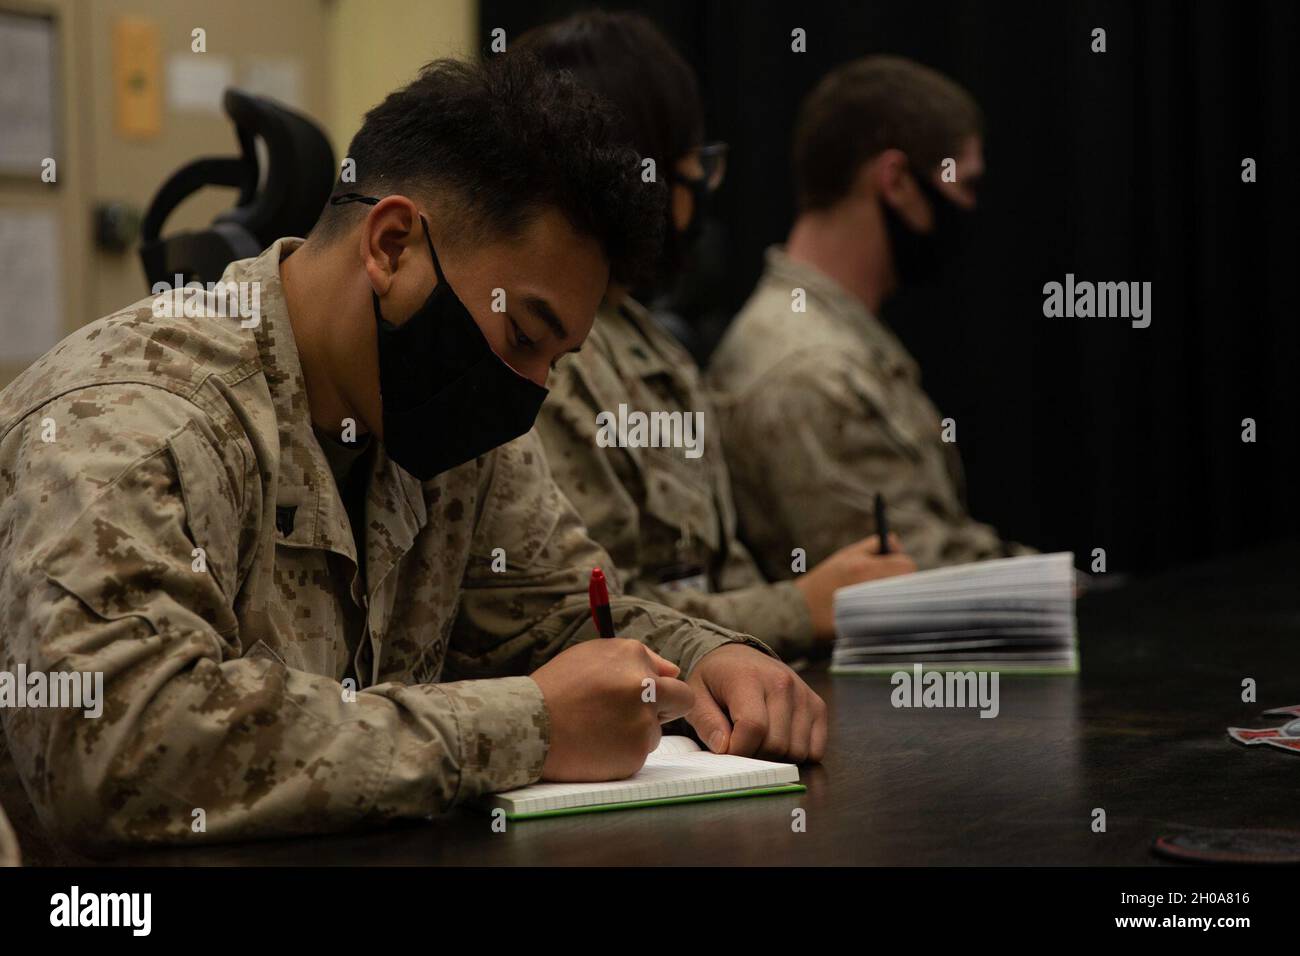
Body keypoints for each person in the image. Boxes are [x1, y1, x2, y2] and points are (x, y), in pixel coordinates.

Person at [0, 54, 825, 857]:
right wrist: (527, 726)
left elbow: (558, 614)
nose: (530, 386)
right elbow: (116, 746)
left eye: (556, 360)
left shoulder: (433, 423)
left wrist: (706, 656)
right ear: (391, 245)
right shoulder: (136, 417)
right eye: (523, 335)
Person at [518, 13, 915, 662]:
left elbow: (717, 568)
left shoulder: (654, 345)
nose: (703, 190)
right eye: (693, 166)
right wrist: (802, 606)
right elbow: (583, 613)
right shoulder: (548, 353)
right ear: (640, 176)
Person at [710, 56, 1034, 575]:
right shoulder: (810, 370)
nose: (969, 209)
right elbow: (915, 584)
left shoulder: (838, 338)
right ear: (897, 180)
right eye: (963, 185)